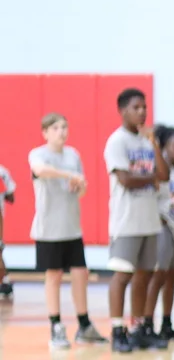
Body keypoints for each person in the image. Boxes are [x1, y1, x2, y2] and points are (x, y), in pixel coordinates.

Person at [29, 113, 105, 348]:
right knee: (54, 275)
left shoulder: (73, 155)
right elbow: (40, 171)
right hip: (49, 229)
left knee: (80, 273)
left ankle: (84, 325)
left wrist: (78, 185)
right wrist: (68, 175)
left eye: (64, 127)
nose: (61, 131)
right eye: (56, 128)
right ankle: (56, 325)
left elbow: (81, 190)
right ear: (45, 132)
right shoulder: (38, 154)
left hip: (72, 227)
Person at [103, 87, 169, 352]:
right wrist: (150, 179)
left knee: (144, 276)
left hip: (149, 220)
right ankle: (117, 330)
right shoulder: (117, 141)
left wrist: (153, 143)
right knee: (122, 275)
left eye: (144, 107)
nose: (142, 112)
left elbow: (163, 175)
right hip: (126, 220)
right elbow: (126, 180)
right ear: (122, 111)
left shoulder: (145, 142)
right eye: (136, 107)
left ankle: (138, 327)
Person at [144, 126, 174, 345]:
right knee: (158, 277)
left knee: (171, 278)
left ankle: (167, 324)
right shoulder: (158, 171)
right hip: (162, 227)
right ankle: (147, 324)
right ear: (163, 148)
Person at [0, 163, 14, 299]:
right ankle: (4, 280)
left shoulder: (2, 172)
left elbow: (11, 197)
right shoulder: (2, 171)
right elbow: (11, 197)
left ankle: (4, 280)